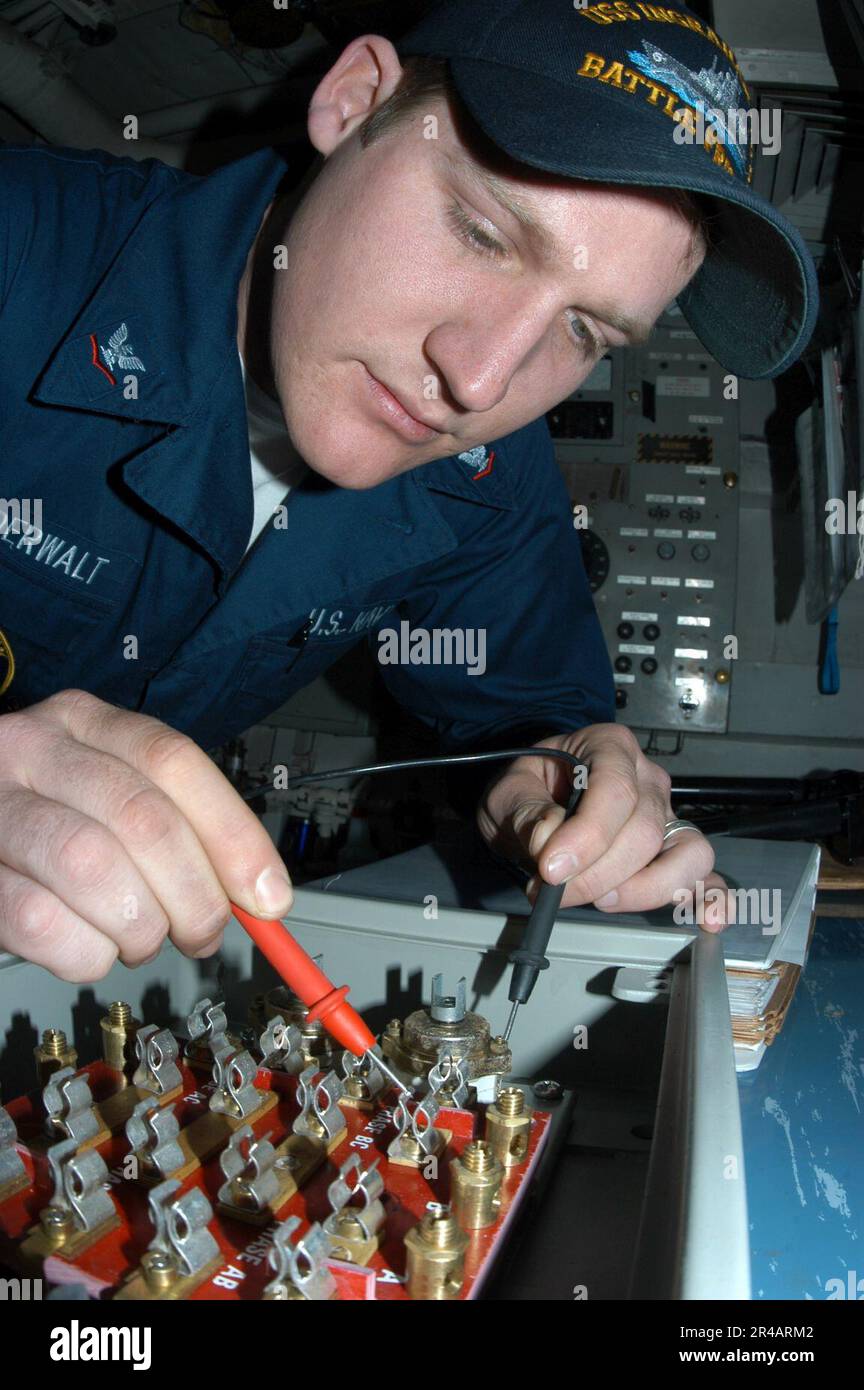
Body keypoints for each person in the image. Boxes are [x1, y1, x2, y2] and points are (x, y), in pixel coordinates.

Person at [0, 0, 817, 981]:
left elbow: (537, 721)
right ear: (354, 103)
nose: (480, 381)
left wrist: (569, 782)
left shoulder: (487, 476)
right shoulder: (19, 250)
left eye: (582, 333)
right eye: (481, 231)